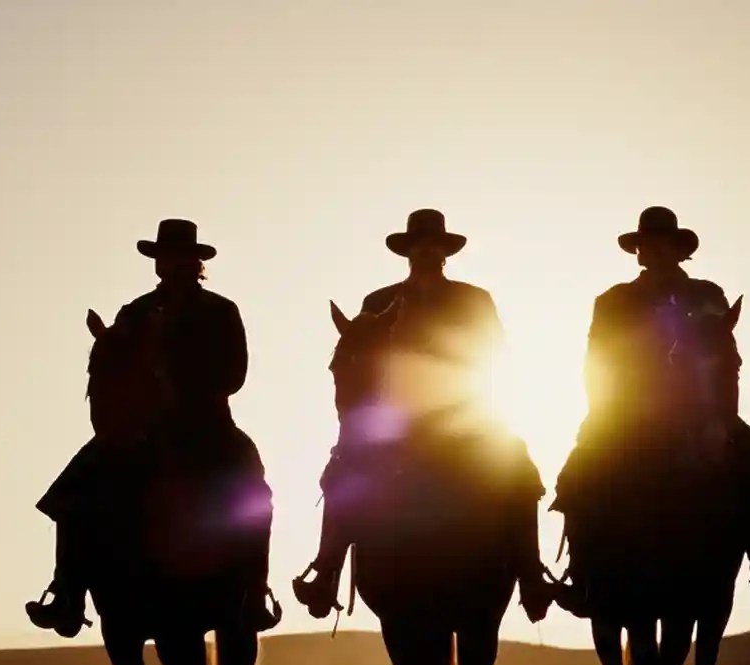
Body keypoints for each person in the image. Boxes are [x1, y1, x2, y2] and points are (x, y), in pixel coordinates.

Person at [295, 208, 553, 621]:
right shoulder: (377, 301)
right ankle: (326, 571)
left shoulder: (474, 300)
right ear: (408, 251)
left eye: (434, 245)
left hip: (466, 418)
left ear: (445, 252)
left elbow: (494, 352)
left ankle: (531, 573)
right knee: (341, 472)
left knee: (519, 469)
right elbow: (363, 361)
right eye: (419, 246)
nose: (427, 252)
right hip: (397, 423)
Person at [27, 219, 276, 636]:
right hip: (141, 428)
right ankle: (67, 592)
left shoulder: (220, 311)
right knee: (72, 493)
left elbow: (235, 375)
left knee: (255, 494)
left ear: (195, 263)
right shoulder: (135, 312)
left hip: (208, 426)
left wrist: (176, 376)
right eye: (164, 257)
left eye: (179, 257)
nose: (170, 265)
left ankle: (253, 592)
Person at [555, 206, 750, 605]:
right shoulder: (613, 301)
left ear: (679, 249)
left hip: (700, 406)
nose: (654, 251)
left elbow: (724, 353)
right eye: (646, 244)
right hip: (626, 410)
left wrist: (723, 413)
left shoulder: (708, 294)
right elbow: (597, 360)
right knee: (576, 475)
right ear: (639, 251)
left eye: (662, 243)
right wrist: (607, 409)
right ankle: (583, 572)